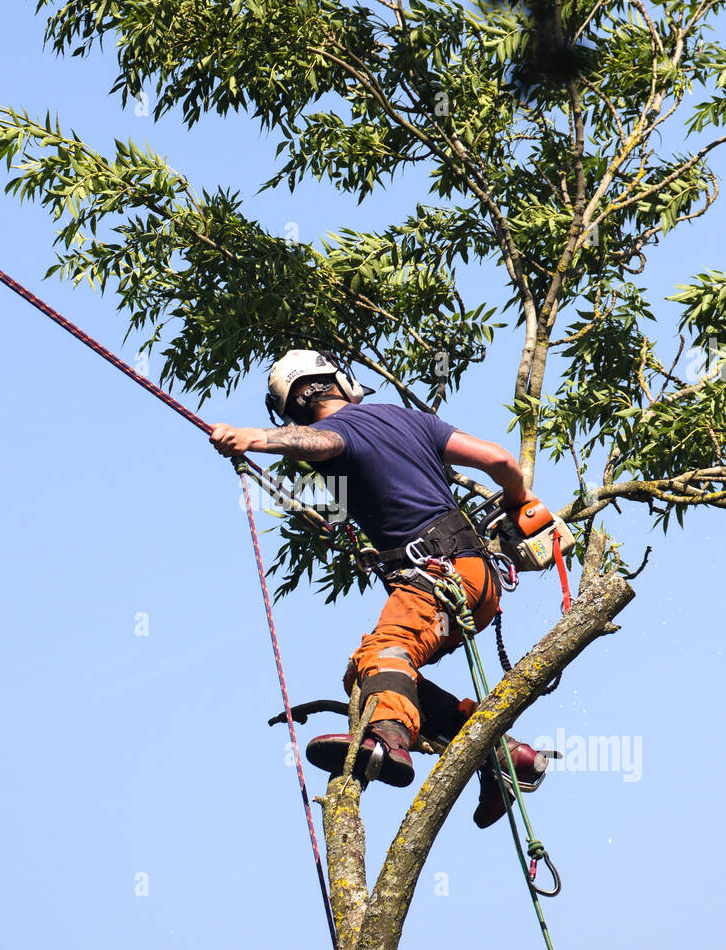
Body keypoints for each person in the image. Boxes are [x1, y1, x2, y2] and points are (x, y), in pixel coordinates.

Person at [210, 350, 549, 827]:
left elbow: (321, 440)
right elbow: (500, 459)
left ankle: (389, 741)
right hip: (477, 578)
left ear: (293, 408)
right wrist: (521, 503)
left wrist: (257, 439)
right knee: (363, 679)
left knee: (386, 654)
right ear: (337, 380)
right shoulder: (409, 418)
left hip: (435, 577)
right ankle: (501, 753)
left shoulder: (339, 431)